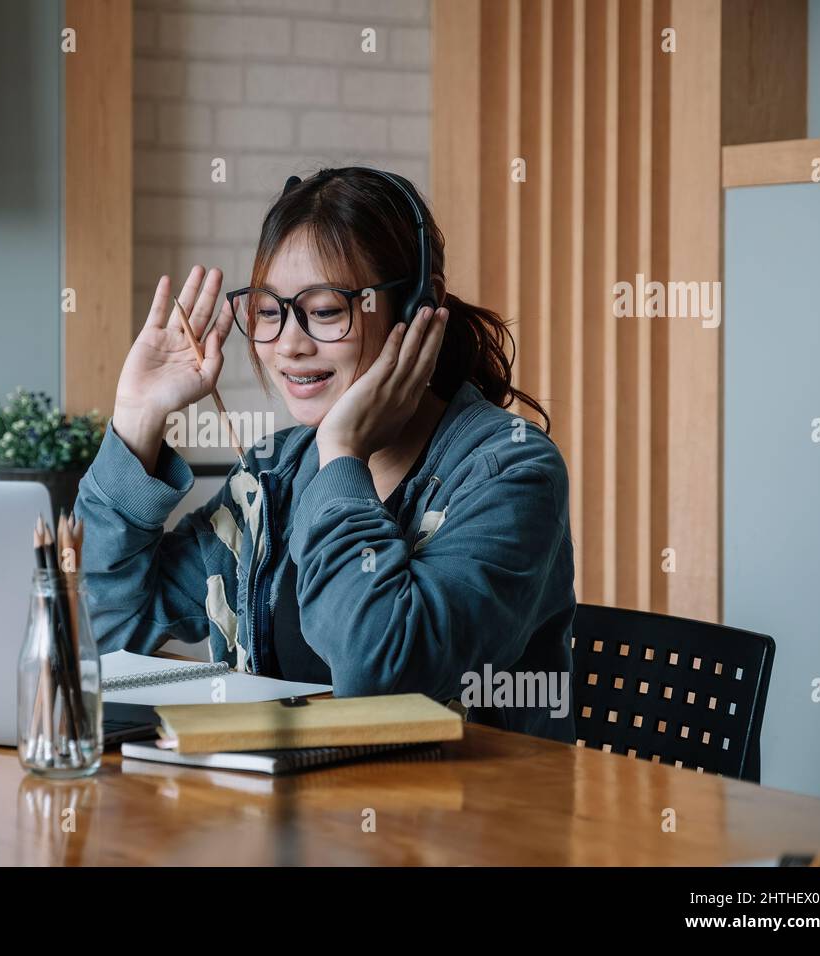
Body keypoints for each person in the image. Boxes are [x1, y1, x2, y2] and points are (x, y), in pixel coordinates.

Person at [74, 167, 576, 742]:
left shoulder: (508, 470)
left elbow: (384, 676)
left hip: (463, 825)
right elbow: (101, 631)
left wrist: (342, 457)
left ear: (418, 307)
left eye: (326, 310)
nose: (289, 343)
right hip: (290, 819)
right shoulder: (276, 473)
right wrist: (138, 419)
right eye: (268, 310)